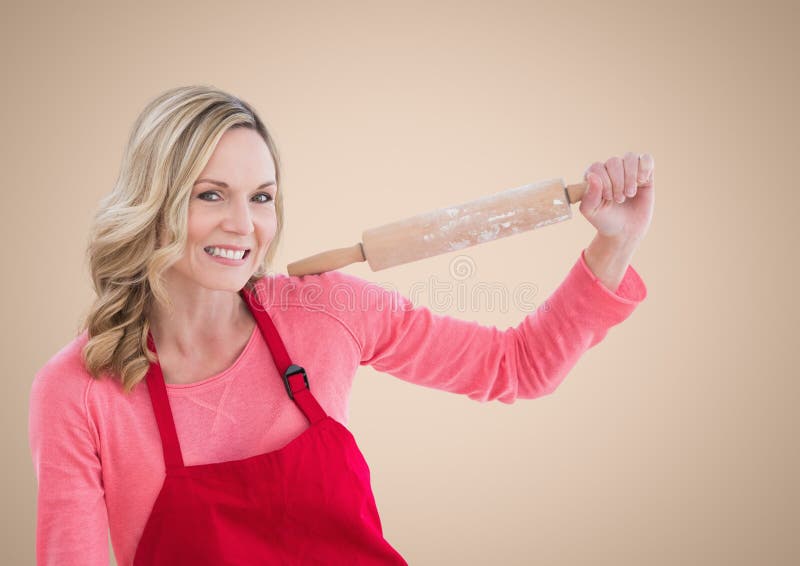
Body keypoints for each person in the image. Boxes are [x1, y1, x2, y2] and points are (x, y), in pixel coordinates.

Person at [28, 85, 652, 565]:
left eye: (261, 196)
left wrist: (615, 243)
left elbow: (516, 366)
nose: (244, 225)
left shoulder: (324, 311)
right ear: (153, 202)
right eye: (210, 194)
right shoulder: (81, 391)